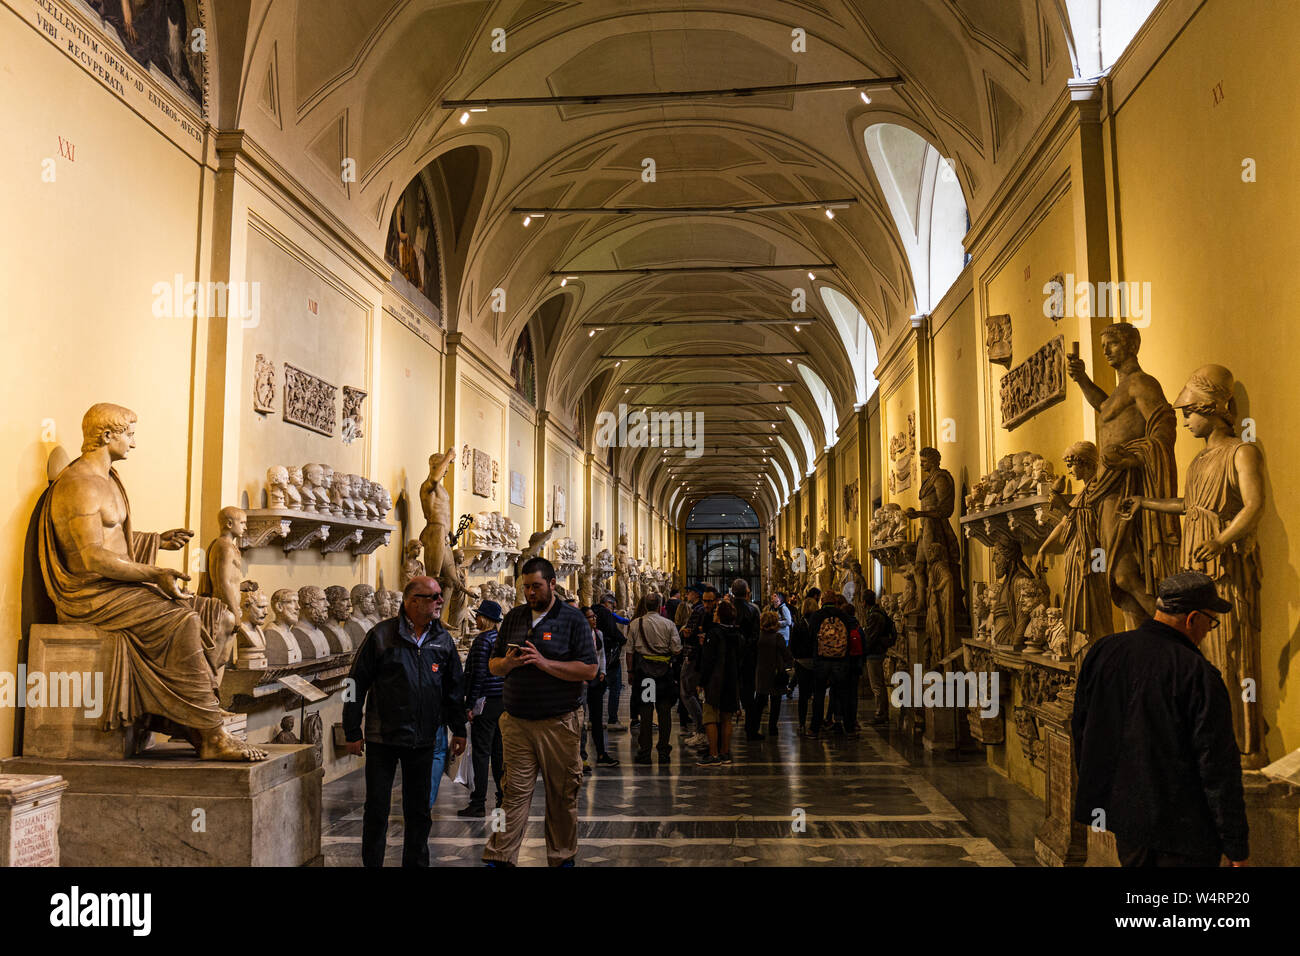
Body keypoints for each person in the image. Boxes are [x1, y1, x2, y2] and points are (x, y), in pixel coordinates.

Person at [1072, 571, 1248, 867]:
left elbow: (1082, 727)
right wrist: (1236, 846)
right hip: (1184, 833)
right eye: (1210, 621)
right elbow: (1217, 767)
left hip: (1126, 822)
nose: (1209, 629)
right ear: (1192, 619)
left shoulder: (1105, 651)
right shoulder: (1198, 674)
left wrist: (1107, 796)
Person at [343, 576, 467, 867]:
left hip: (423, 738)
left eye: (439, 595)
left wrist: (459, 728)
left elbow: (454, 688)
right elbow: (353, 684)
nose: (440, 601)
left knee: (419, 811)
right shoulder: (381, 635)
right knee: (376, 810)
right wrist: (351, 729)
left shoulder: (442, 639)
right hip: (382, 737)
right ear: (412, 602)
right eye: (433, 596)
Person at [483, 557, 598, 867]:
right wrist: (508, 664)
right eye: (526, 588)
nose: (530, 593)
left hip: (558, 723)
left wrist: (544, 663)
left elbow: (589, 669)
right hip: (517, 722)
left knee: (561, 796)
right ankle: (499, 855)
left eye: (536, 587)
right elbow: (493, 665)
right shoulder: (514, 618)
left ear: (552, 584)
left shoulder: (573, 619)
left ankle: (561, 857)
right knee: (511, 795)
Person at [458, 600, 506, 817]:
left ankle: (478, 803)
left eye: (478, 616)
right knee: (498, 752)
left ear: (485, 619)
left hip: (485, 702)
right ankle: (502, 797)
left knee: (480, 753)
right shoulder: (501, 640)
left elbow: (477, 675)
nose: (475, 619)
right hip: (502, 701)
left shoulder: (482, 641)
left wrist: (469, 705)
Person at [627, 591, 683, 763]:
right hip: (664, 674)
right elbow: (676, 649)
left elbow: (630, 652)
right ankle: (664, 751)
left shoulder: (636, 624)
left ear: (644, 605)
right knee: (664, 712)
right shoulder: (668, 624)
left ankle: (645, 752)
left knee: (646, 711)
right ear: (660, 606)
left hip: (645, 675)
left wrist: (630, 672)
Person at [697, 598, 741, 766]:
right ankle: (725, 753)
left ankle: (713, 754)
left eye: (716, 612)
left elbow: (707, 661)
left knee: (710, 717)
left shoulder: (714, 633)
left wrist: (702, 681)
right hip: (732, 679)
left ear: (720, 616)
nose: (714, 614)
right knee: (727, 718)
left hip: (715, 682)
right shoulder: (737, 634)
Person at [804, 592, 854, 738]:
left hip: (821, 660)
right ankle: (849, 728)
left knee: (819, 695)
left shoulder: (817, 616)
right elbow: (849, 637)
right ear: (835, 601)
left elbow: (811, 637)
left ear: (822, 601)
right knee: (844, 695)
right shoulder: (843, 615)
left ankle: (814, 729)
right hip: (841, 660)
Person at [579, 606, 618, 770]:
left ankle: (601, 753)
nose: (594, 619)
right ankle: (581, 756)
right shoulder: (578, 635)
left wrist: (602, 671)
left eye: (594, 616)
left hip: (595, 680)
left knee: (596, 719)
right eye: (590, 617)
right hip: (581, 681)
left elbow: (600, 655)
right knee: (580, 720)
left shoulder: (598, 634)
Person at [746, 609, 794, 740]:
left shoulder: (758, 637)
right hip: (775, 673)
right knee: (776, 702)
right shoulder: (778, 637)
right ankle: (772, 727)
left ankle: (753, 728)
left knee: (760, 702)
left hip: (761, 673)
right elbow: (786, 655)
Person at [680, 584, 718, 748]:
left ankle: (702, 730)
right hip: (701, 658)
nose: (707, 604)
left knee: (688, 692)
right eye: (705, 601)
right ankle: (704, 731)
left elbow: (691, 633)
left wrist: (687, 632)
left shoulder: (700, 612)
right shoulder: (707, 611)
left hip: (696, 657)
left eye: (710, 601)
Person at [858, 589, 896, 725]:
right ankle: (882, 712)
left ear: (864, 602)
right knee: (878, 684)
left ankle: (881, 713)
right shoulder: (876, 613)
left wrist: (863, 651)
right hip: (876, 652)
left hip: (874, 653)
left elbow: (871, 637)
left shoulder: (874, 615)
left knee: (877, 685)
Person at [595, 593, 628, 730]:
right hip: (610, 655)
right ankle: (613, 720)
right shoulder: (606, 614)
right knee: (615, 686)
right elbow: (613, 631)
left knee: (598, 688)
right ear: (608, 603)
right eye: (613, 606)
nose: (613, 609)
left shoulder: (592, 611)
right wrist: (623, 640)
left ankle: (594, 719)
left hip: (595, 655)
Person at [789, 596, 820, 735]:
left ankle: (801, 723)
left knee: (803, 695)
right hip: (816, 661)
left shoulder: (799, 624)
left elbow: (792, 645)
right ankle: (815, 724)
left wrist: (796, 657)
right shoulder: (819, 623)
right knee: (816, 694)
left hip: (802, 663)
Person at [731, 579, 761, 720]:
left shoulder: (727, 608)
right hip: (748, 656)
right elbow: (756, 635)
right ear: (747, 592)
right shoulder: (753, 610)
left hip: (730, 655)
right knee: (748, 692)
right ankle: (751, 727)